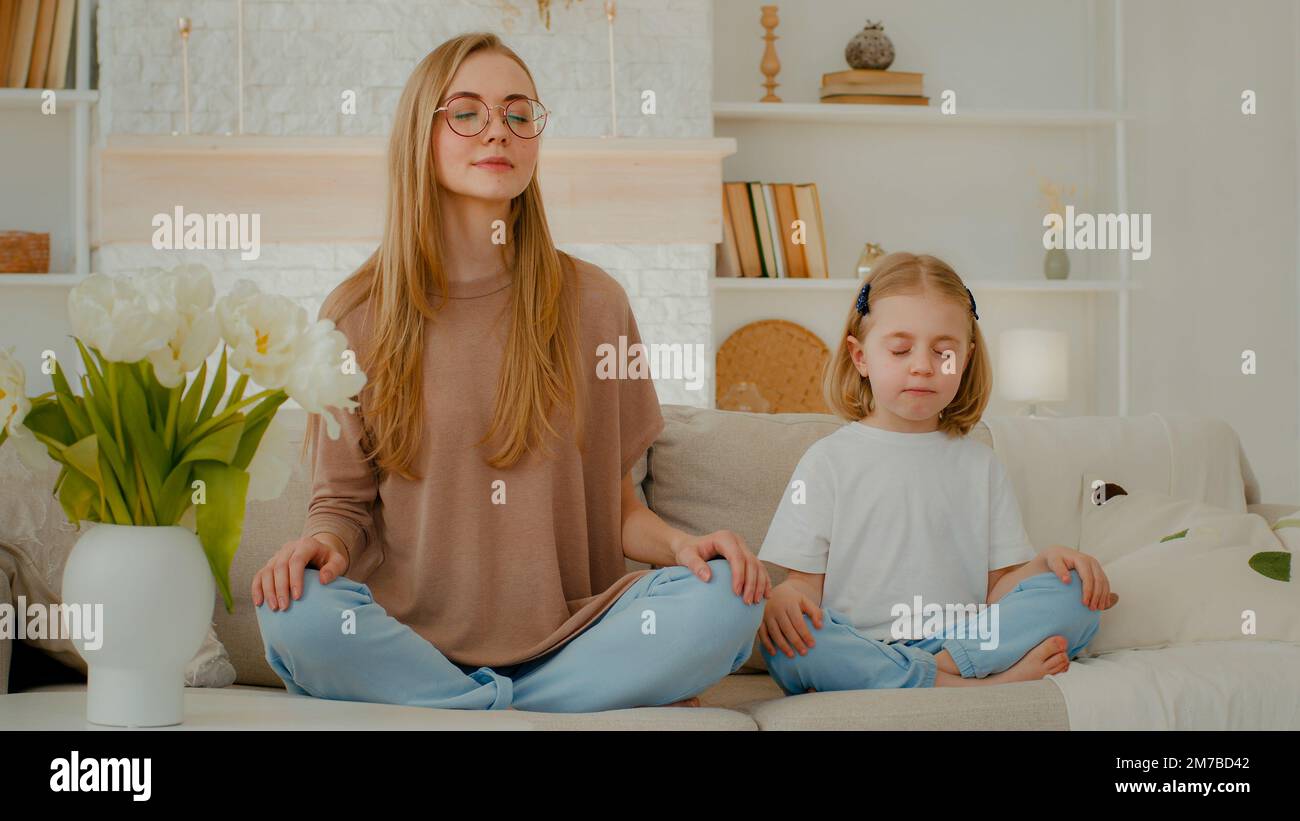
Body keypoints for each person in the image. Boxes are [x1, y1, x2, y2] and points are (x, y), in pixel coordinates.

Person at [252, 33, 766, 713]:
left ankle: (461, 706)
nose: (498, 130)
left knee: (726, 598)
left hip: (575, 634)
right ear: (421, 135)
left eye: (519, 114)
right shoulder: (356, 313)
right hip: (411, 637)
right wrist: (314, 549)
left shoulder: (596, 303)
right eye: (466, 112)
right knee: (294, 615)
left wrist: (684, 544)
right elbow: (342, 508)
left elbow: (617, 509)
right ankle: (522, 704)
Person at [757, 252, 1119, 693]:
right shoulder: (827, 460)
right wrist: (786, 601)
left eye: (943, 352)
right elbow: (803, 586)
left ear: (965, 359)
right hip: (863, 643)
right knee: (793, 646)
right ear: (860, 356)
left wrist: (1046, 562)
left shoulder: (980, 465)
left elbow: (999, 592)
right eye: (900, 349)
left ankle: (928, 673)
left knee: (1077, 599)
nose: (923, 365)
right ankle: (977, 684)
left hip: (962, 639)